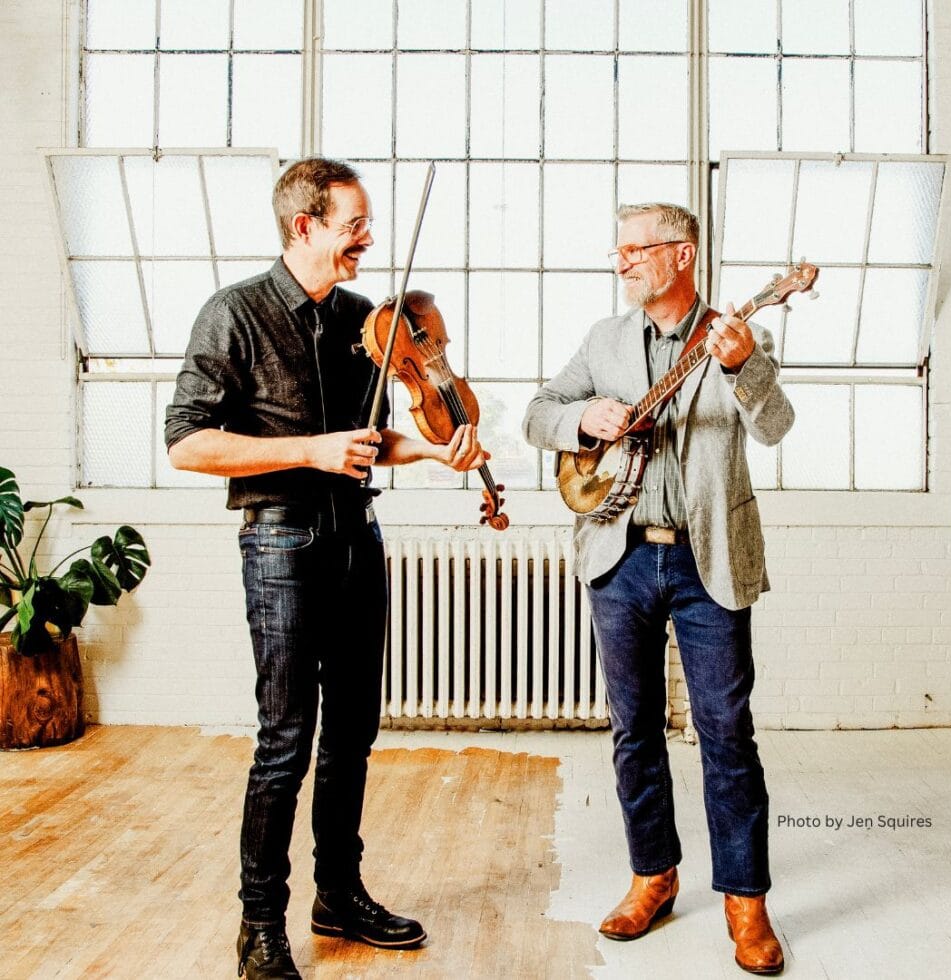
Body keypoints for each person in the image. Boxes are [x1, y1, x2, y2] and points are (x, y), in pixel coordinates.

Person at [165, 157, 487, 980]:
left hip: (356, 537)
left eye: (368, 224)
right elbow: (187, 442)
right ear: (303, 226)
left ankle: (337, 895)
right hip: (281, 541)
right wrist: (307, 449)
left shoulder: (360, 318)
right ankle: (259, 924)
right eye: (353, 226)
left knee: (353, 734)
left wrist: (436, 450)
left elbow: (372, 442)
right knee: (285, 741)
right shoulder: (232, 314)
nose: (367, 240)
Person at [523, 202, 793, 975]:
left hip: (710, 563)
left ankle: (745, 900)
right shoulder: (604, 341)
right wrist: (586, 418)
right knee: (633, 729)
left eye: (636, 250)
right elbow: (540, 415)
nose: (622, 262)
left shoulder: (740, 335)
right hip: (620, 557)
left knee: (725, 733)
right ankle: (654, 876)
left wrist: (742, 368)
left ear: (682, 255)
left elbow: (774, 426)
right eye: (620, 251)